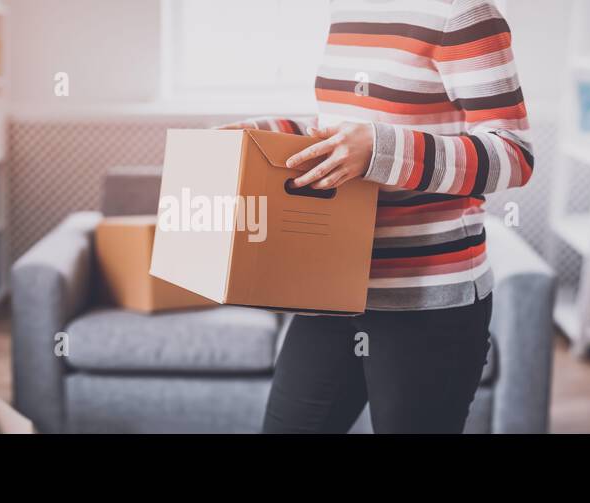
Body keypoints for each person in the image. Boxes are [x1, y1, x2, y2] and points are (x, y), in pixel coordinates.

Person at [220, 0, 534, 433]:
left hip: (426, 304)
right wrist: (265, 134)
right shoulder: (346, 10)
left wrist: (379, 150)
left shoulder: (463, 13)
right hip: (333, 290)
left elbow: (514, 155)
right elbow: (343, 132)